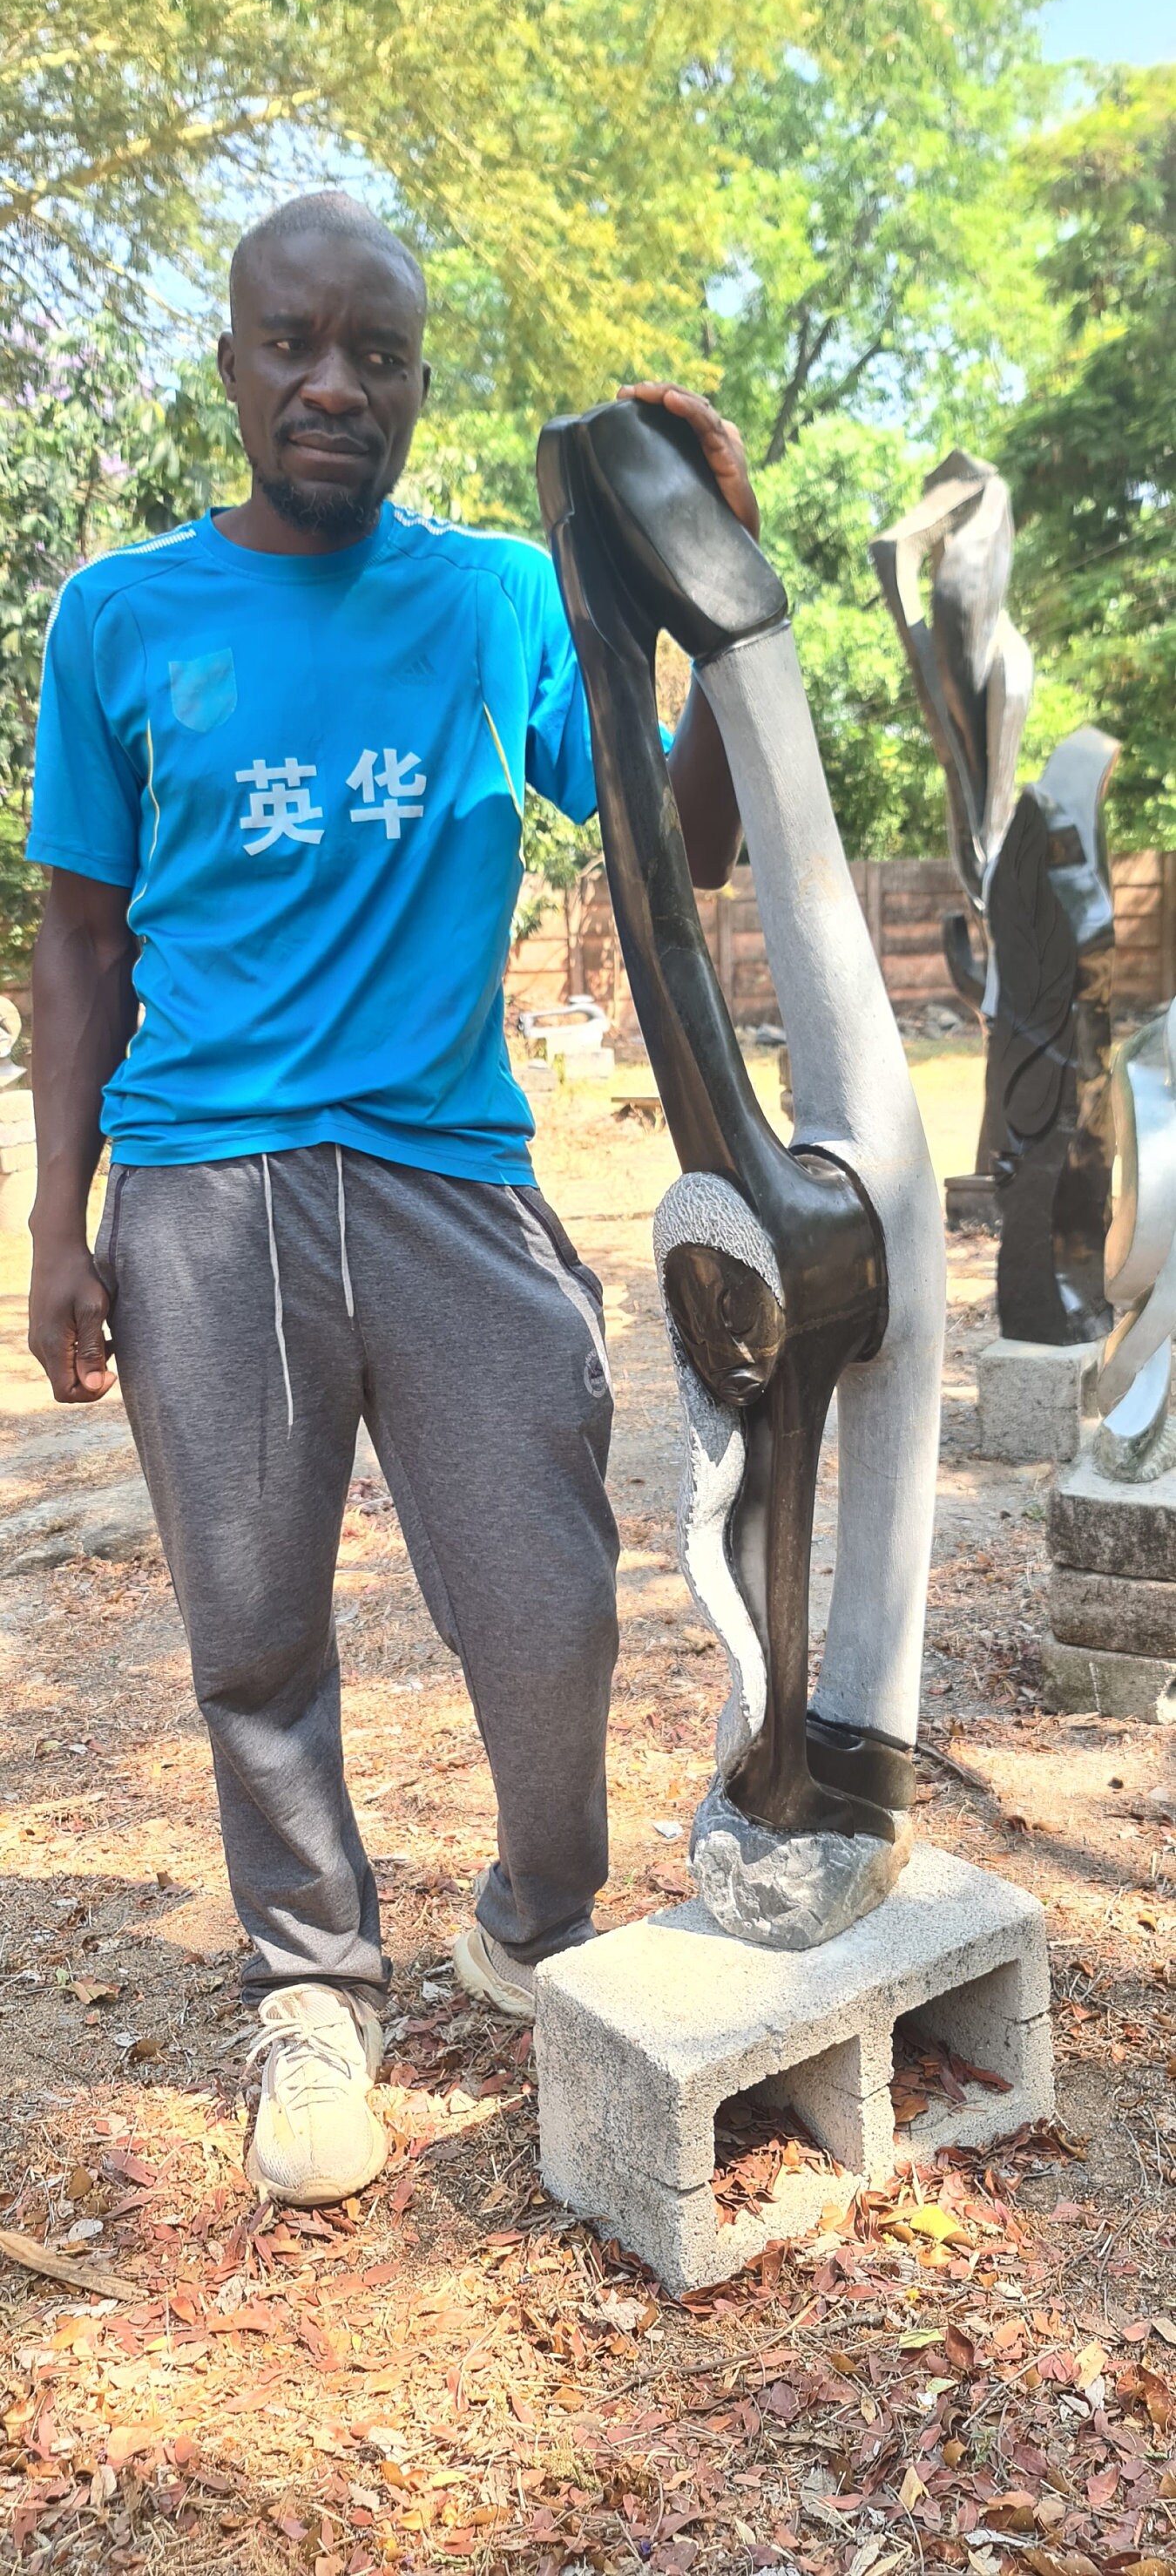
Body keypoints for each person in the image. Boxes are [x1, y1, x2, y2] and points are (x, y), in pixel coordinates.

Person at [26, 192, 760, 2209]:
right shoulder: (121, 620)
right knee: (252, 1630)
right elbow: (80, 942)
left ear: (423, 383)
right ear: (233, 365)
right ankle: (311, 1986)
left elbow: (680, 841)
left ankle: (536, 1905)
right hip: (202, 1193)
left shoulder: (501, 600)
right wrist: (57, 1225)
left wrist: (714, 594)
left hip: (452, 1179)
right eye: (294, 345)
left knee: (551, 1614)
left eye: (378, 353)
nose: (334, 384)